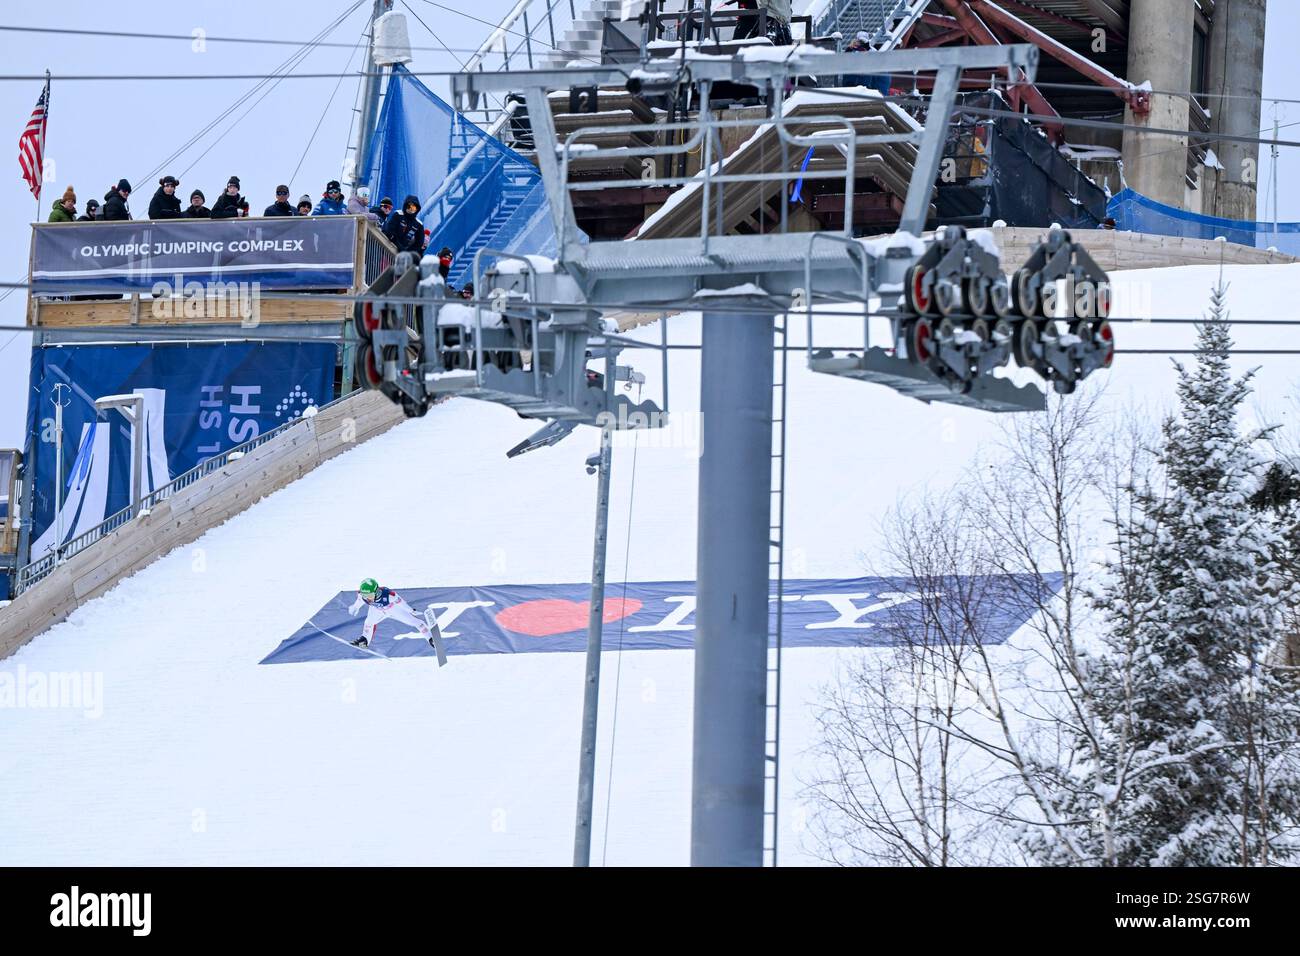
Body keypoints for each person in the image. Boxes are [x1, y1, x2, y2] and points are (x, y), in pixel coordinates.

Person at [348, 578, 441, 652]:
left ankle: (431, 638)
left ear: (376, 591)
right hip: (377, 610)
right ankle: (364, 640)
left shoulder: (388, 595)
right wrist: (355, 607)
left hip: (392, 609)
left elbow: (401, 602)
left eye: (370, 595)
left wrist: (411, 610)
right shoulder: (363, 595)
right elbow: (360, 600)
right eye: (365, 596)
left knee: (416, 622)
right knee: (369, 622)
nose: (368, 598)